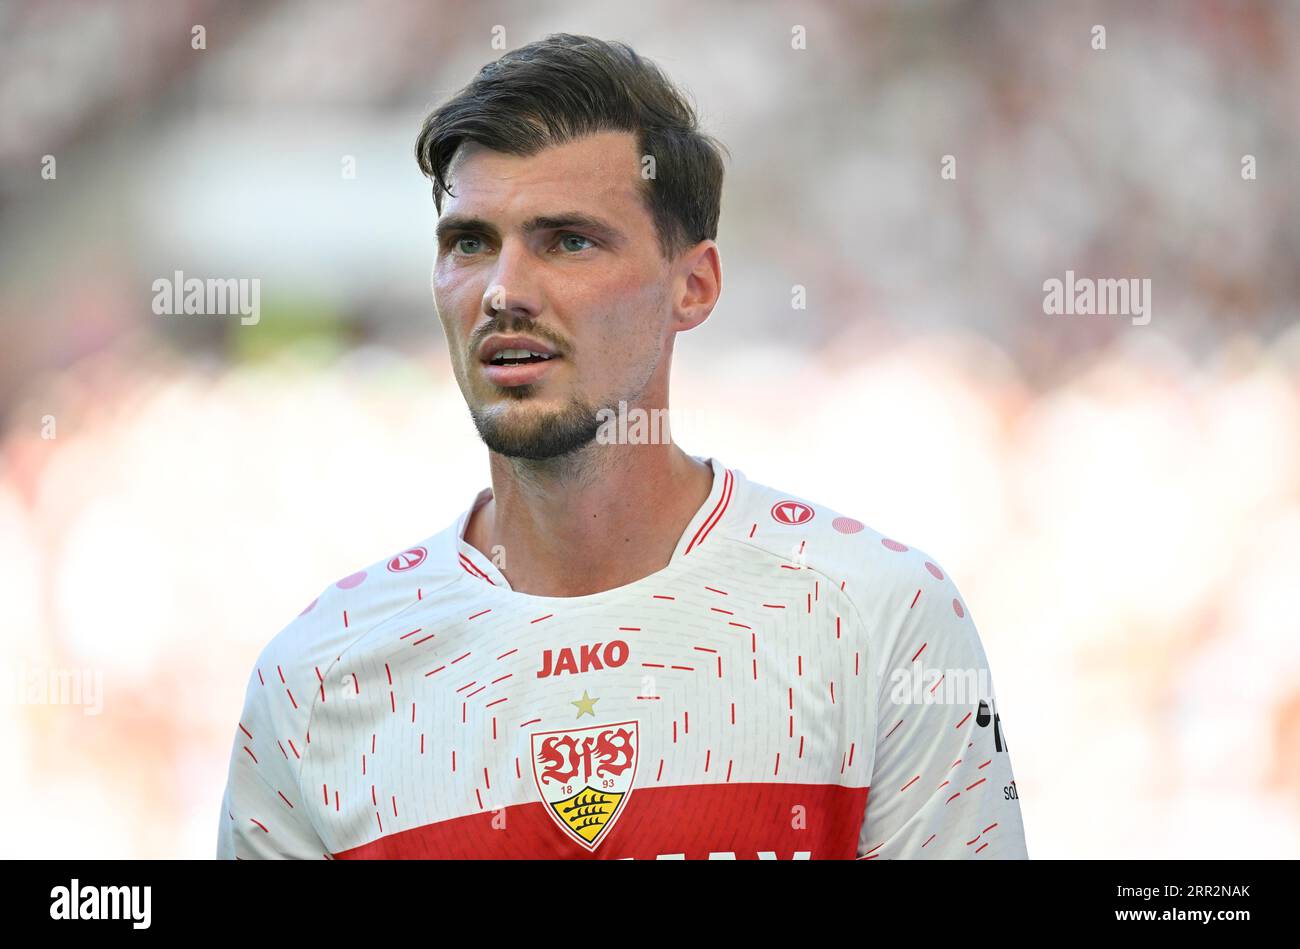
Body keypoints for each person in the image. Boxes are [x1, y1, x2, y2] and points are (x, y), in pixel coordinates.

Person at [216, 33, 1027, 859]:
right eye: (470, 242)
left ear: (694, 285)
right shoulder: (316, 678)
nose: (504, 291)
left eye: (568, 240)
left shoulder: (879, 616)